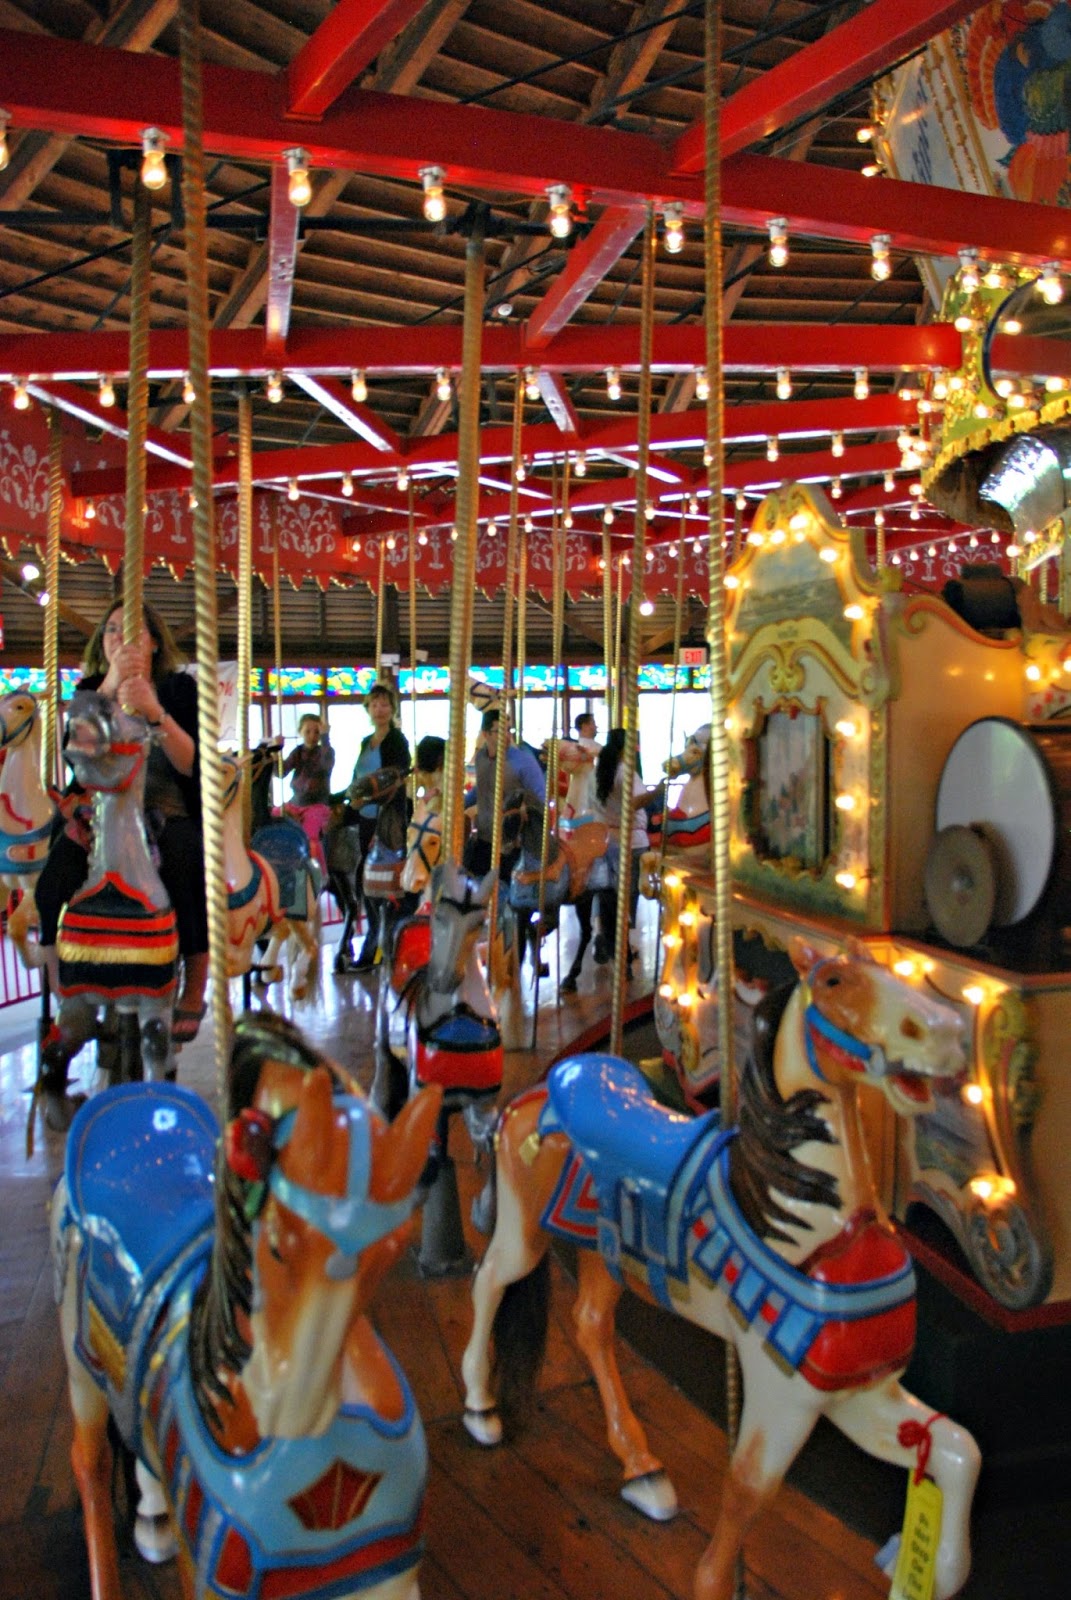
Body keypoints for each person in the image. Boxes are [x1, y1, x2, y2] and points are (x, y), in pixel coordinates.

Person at [35, 599, 209, 1051]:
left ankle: (194, 983)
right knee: (52, 879)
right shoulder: (90, 688)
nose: (121, 639)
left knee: (184, 863)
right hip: (102, 805)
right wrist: (110, 686)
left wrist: (154, 711)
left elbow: (191, 764)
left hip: (164, 803)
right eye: (111, 630)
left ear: (153, 643)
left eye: (132, 631)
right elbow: (77, 745)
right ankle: (61, 983)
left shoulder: (177, 689)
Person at [348, 681, 410, 970]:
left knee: (388, 884)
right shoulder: (365, 742)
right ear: (368, 709)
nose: (380, 709)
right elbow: (356, 776)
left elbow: (397, 775)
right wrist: (348, 799)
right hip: (366, 817)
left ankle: (384, 944)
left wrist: (368, 795)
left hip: (389, 817)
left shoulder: (397, 741)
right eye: (375, 704)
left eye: (385, 704)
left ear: (392, 708)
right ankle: (372, 939)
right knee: (366, 881)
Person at [464, 707, 545, 882]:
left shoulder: (523, 761)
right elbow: (482, 789)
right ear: (485, 734)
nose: (507, 735)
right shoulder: (481, 759)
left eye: (509, 730)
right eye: (500, 731)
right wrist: (458, 804)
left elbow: (540, 797)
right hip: (485, 836)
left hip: (513, 841)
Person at [592, 727, 649, 970]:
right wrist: (658, 791)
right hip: (631, 841)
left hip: (607, 839)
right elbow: (634, 802)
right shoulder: (626, 772)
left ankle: (602, 933)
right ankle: (623, 943)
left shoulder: (599, 771)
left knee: (605, 893)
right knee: (628, 896)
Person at [282, 712, 335, 866]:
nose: (312, 735)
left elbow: (326, 764)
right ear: (300, 732)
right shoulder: (297, 752)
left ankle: (320, 872)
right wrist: (274, 752)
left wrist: (325, 738)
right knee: (275, 819)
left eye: (316, 732)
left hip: (316, 803)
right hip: (296, 802)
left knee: (311, 837)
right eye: (308, 731)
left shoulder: (326, 751)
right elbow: (281, 772)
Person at [562, 709, 602, 822]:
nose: (596, 727)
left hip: (579, 793)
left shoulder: (576, 749)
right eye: (593, 723)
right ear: (585, 726)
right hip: (589, 792)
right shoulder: (578, 749)